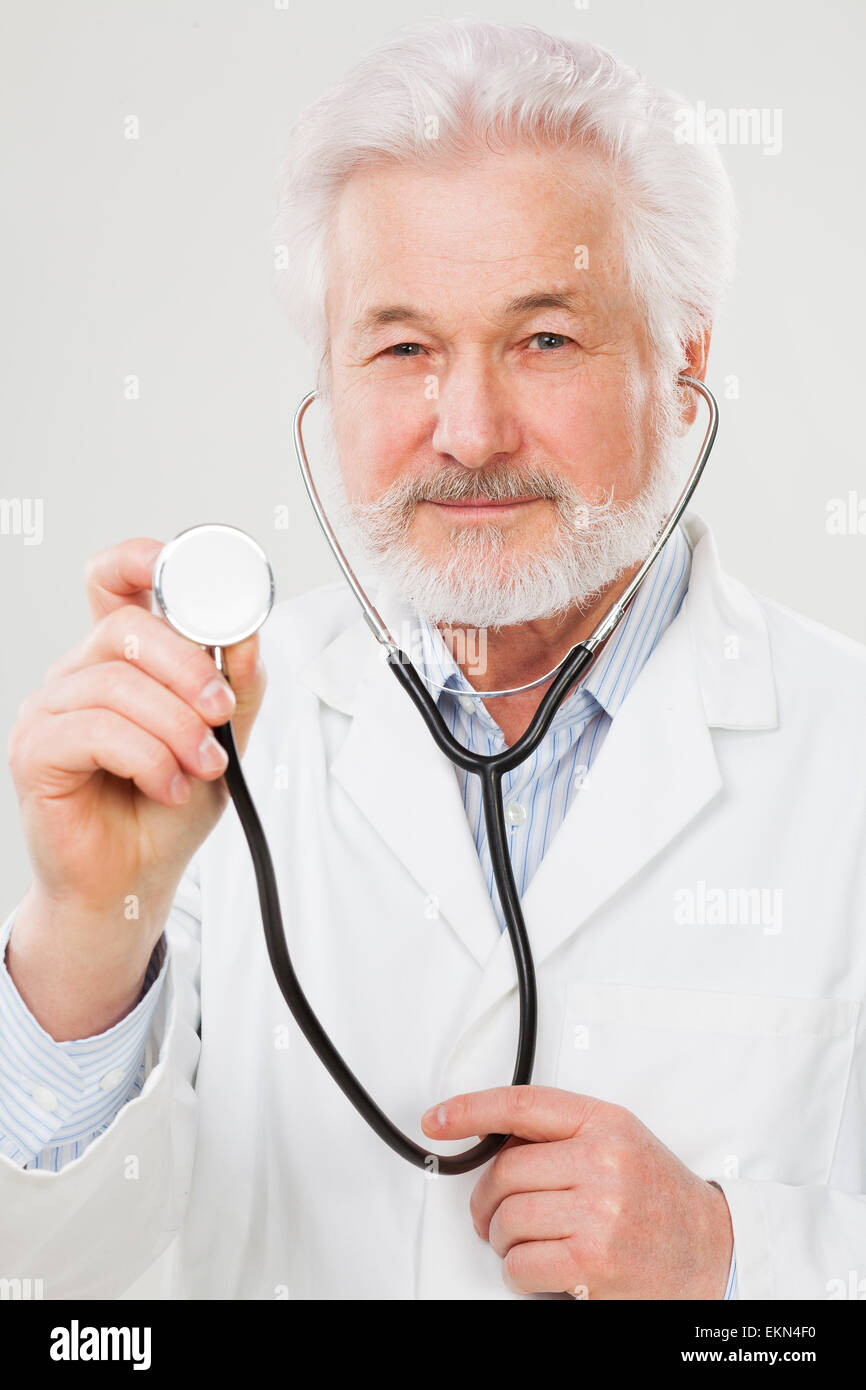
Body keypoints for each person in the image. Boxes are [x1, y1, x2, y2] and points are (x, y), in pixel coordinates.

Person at [2, 18, 864, 1301]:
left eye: (544, 340)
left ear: (683, 356)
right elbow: (60, 1281)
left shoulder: (838, 753)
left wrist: (738, 1264)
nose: (464, 431)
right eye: (401, 347)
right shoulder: (203, 743)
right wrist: (88, 921)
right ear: (328, 379)